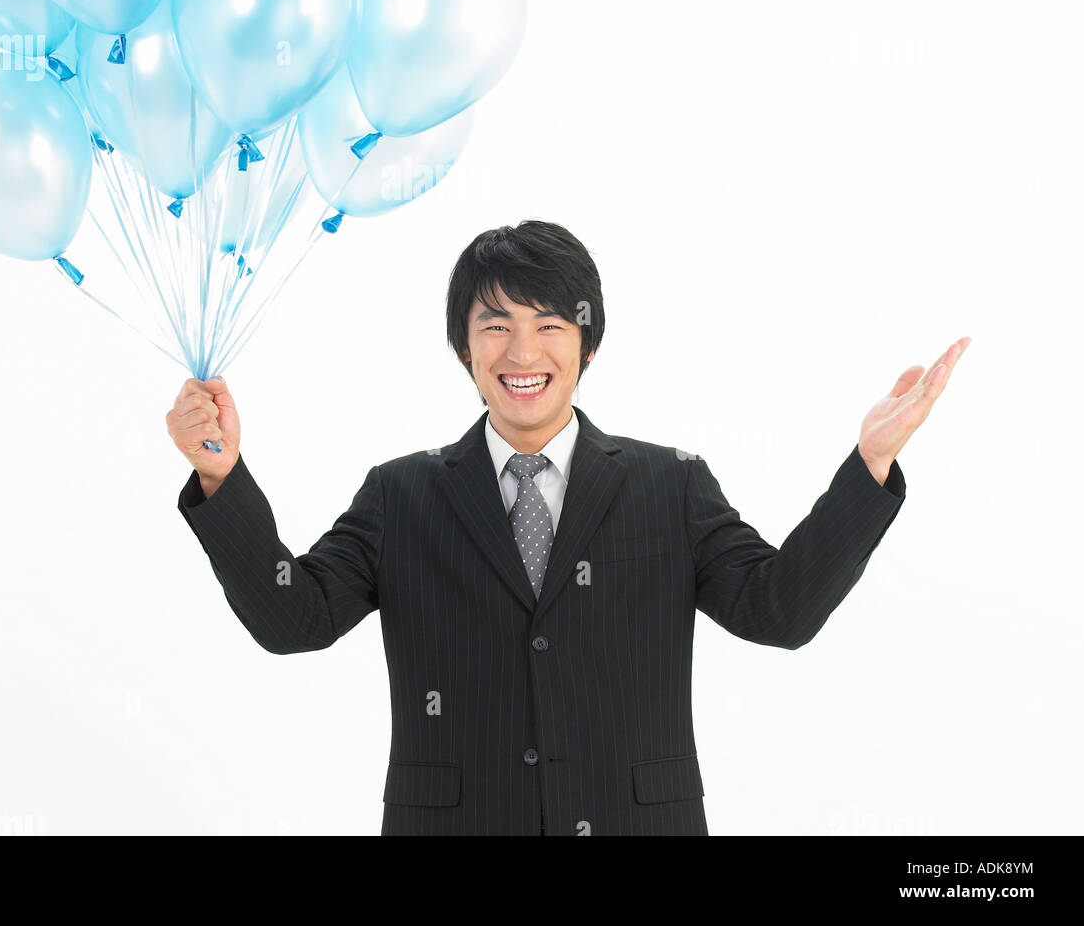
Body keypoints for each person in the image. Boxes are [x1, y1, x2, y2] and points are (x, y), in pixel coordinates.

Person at [169, 220, 969, 836]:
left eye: (550, 323)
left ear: (587, 342)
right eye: (495, 325)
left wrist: (867, 467)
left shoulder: (669, 485)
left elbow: (780, 611)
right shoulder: (401, 495)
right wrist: (220, 475)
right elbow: (292, 620)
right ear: (464, 348)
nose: (523, 349)